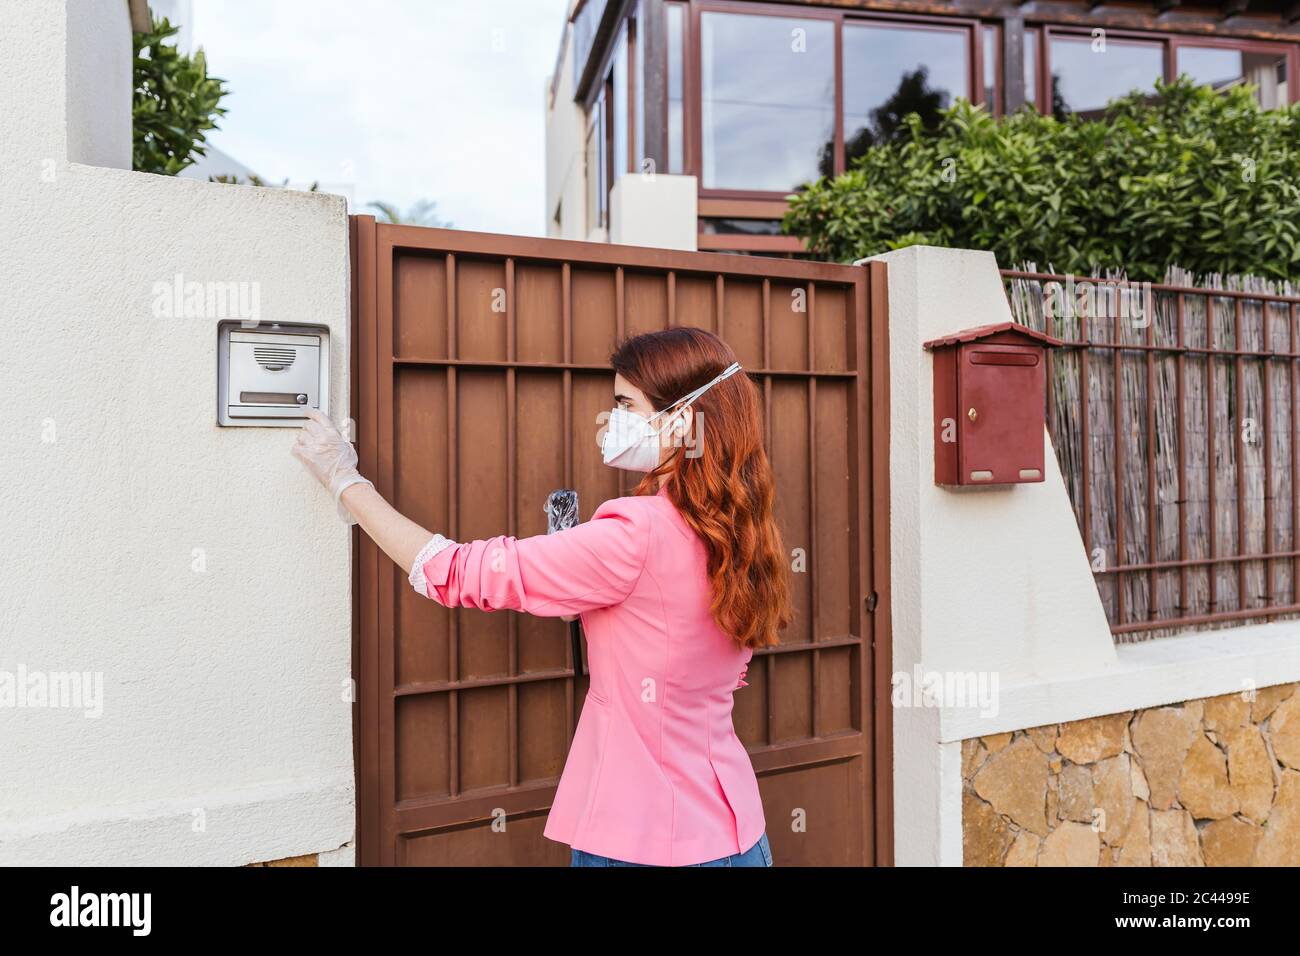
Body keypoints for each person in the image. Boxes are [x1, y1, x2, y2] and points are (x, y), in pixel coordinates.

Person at [292, 326, 791, 867]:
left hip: (645, 840)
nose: (613, 419)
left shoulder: (635, 531)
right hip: (738, 833)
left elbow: (456, 571)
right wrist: (574, 571)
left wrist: (345, 481)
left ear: (681, 418)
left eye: (626, 403)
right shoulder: (740, 529)